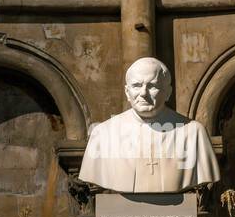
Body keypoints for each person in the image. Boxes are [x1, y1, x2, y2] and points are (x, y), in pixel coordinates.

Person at [79, 57, 219, 193]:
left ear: (168, 92)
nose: (143, 93)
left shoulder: (194, 133)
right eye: (137, 85)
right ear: (127, 92)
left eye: (152, 86)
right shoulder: (103, 134)